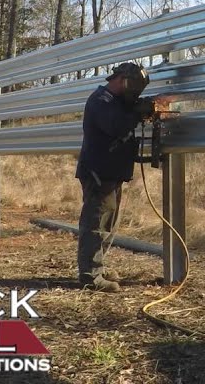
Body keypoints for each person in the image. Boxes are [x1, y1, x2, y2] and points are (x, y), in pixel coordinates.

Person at [76, 62, 155, 291]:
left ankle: (97, 267)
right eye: (134, 86)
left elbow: (124, 116)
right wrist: (138, 112)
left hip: (110, 172)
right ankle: (91, 276)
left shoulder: (115, 102)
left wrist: (143, 108)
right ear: (121, 79)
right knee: (96, 223)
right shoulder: (101, 100)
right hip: (99, 173)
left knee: (108, 223)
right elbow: (116, 126)